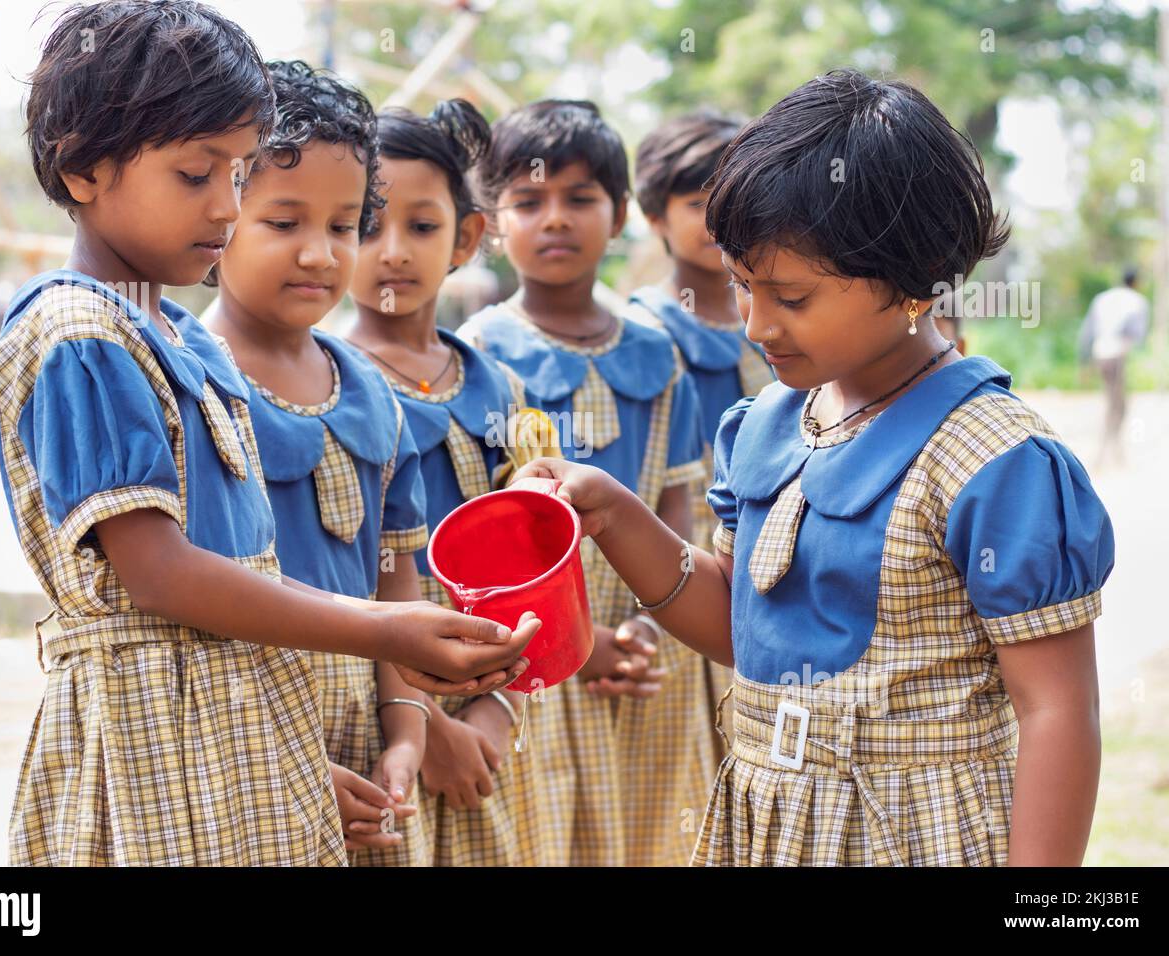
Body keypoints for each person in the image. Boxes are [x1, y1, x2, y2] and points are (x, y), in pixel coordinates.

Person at [513, 70, 1115, 866]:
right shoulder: (763, 426)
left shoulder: (995, 461)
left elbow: (1057, 714)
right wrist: (616, 512)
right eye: (741, 287)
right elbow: (737, 626)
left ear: (911, 280)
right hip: (772, 824)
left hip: (919, 835)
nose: (757, 324)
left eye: (791, 297)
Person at [0, 0, 536, 866]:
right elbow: (160, 572)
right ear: (84, 170)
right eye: (196, 175)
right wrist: (383, 631)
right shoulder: (80, 334)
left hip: (246, 720)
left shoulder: (182, 338)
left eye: (239, 177)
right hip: (155, 736)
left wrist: (400, 678)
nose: (224, 207)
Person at [460, 100, 711, 867]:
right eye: (528, 202)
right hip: (533, 647)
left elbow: (676, 503)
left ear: (622, 212)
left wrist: (644, 624)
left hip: (646, 648)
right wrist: (579, 640)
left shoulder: (659, 354)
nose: (555, 220)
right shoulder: (478, 356)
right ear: (495, 221)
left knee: (655, 829)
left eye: (579, 199)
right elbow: (476, 532)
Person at [203, 61, 435, 864]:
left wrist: (405, 736)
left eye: (342, 227)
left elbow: (394, 581)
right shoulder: (189, 380)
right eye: (283, 222)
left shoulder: (373, 393)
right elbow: (186, 604)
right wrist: (292, 768)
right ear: (218, 213)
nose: (319, 255)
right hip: (230, 747)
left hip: (363, 760)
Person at [345, 99, 549, 866]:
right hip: (373, 723)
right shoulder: (326, 386)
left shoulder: (498, 388)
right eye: (365, 225)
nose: (391, 250)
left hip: (494, 717)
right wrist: (424, 724)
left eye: (421, 227)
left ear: (467, 237)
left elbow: (533, 566)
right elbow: (340, 578)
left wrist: (495, 708)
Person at [628, 110, 774, 767]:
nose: (720, 222)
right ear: (654, 216)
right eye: (697, 204)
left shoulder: (784, 323)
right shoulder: (637, 332)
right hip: (683, 573)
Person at [1079, 267, 1149, 468]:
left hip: (1099, 353)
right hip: (1117, 354)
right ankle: (1104, 454)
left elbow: (1087, 331)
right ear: (1136, 282)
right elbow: (1136, 333)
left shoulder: (1103, 298)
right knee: (1116, 406)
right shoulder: (1137, 301)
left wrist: (1084, 363)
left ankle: (1113, 452)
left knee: (1116, 404)